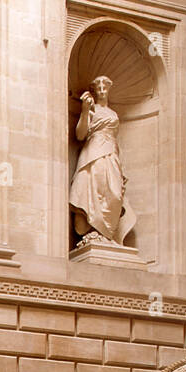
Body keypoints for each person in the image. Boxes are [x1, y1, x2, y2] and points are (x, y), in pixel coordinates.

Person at [70, 74, 136, 246]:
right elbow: (80, 134)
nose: (101, 90)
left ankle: (107, 235)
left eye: (104, 87)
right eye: (98, 87)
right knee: (94, 189)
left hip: (112, 154)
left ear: (108, 90)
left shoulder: (113, 113)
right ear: (94, 90)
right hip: (94, 153)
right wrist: (85, 110)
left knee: (114, 193)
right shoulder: (92, 110)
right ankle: (94, 232)